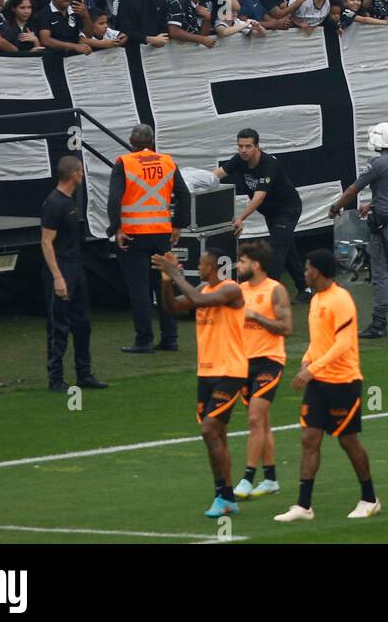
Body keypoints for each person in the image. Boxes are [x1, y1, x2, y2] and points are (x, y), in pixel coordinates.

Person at [276, 250, 381, 523]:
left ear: (318, 272)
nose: (304, 272)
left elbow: (343, 343)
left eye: (308, 268)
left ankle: (370, 498)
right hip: (319, 382)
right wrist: (306, 360)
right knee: (309, 439)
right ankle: (303, 505)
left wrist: (312, 369)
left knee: (348, 441)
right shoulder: (316, 298)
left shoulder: (340, 300)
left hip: (343, 382)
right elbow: (319, 339)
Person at [153, 249, 246, 518]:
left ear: (215, 267)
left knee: (208, 430)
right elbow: (172, 308)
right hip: (206, 373)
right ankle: (227, 496)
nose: (199, 267)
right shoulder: (204, 287)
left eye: (203, 264)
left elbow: (195, 298)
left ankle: (223, 496)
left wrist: (175, 273)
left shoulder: (231, 290)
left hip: (230, 371)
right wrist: (166, 280)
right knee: (217, 437)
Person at [329, 122, 388, 338]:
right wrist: (372, 205)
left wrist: (336, 207)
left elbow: (353, 189)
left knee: (380, 274)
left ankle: (379, 324)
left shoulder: (377, 163)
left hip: (386, 226)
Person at [107, 124, 190, 354]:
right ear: (152, 142)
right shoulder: (167, 161)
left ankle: (144, 340)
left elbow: (114, 199)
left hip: (134, 235)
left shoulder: (124, 162)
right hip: (161, 233)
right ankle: (170, 338)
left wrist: (117, 228)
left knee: (140, 289)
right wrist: (178, 225)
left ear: (131, 142)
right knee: (164, 284)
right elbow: (183, 195)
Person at [39, 156, 108, 393]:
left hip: (76, 267)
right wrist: (58, 277)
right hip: (61, 267)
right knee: (58, 326)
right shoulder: (54, 203)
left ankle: (84, 373)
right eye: (80, 172)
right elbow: (46, 243)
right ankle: (55, 378)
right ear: (74, 174)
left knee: (82, 323)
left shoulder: (68, 201)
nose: (82, 175)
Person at [214, 128, 306, 300]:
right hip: (271, 212)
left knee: (274, 250)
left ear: (257, 147)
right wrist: (197, 184)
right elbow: (219, 174)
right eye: (240, 146)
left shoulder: (269, 164)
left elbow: (259, 196)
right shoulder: (239, 159)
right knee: (288, 249)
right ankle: (305, 288)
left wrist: (240, 218)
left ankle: (266, 295)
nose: (243, 150)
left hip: (287, 210)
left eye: (248, 146)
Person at [234, 241, 292, 501]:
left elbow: (286, 327)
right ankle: (270, 480)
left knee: (256, 419)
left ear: (256, 265)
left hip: (269, 360)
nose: (238, 265)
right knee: (263, 423)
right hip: (244, 362)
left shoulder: (275, 290)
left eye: (242, 261)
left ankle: (247, 478)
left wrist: (255, 316)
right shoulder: (237, 291)